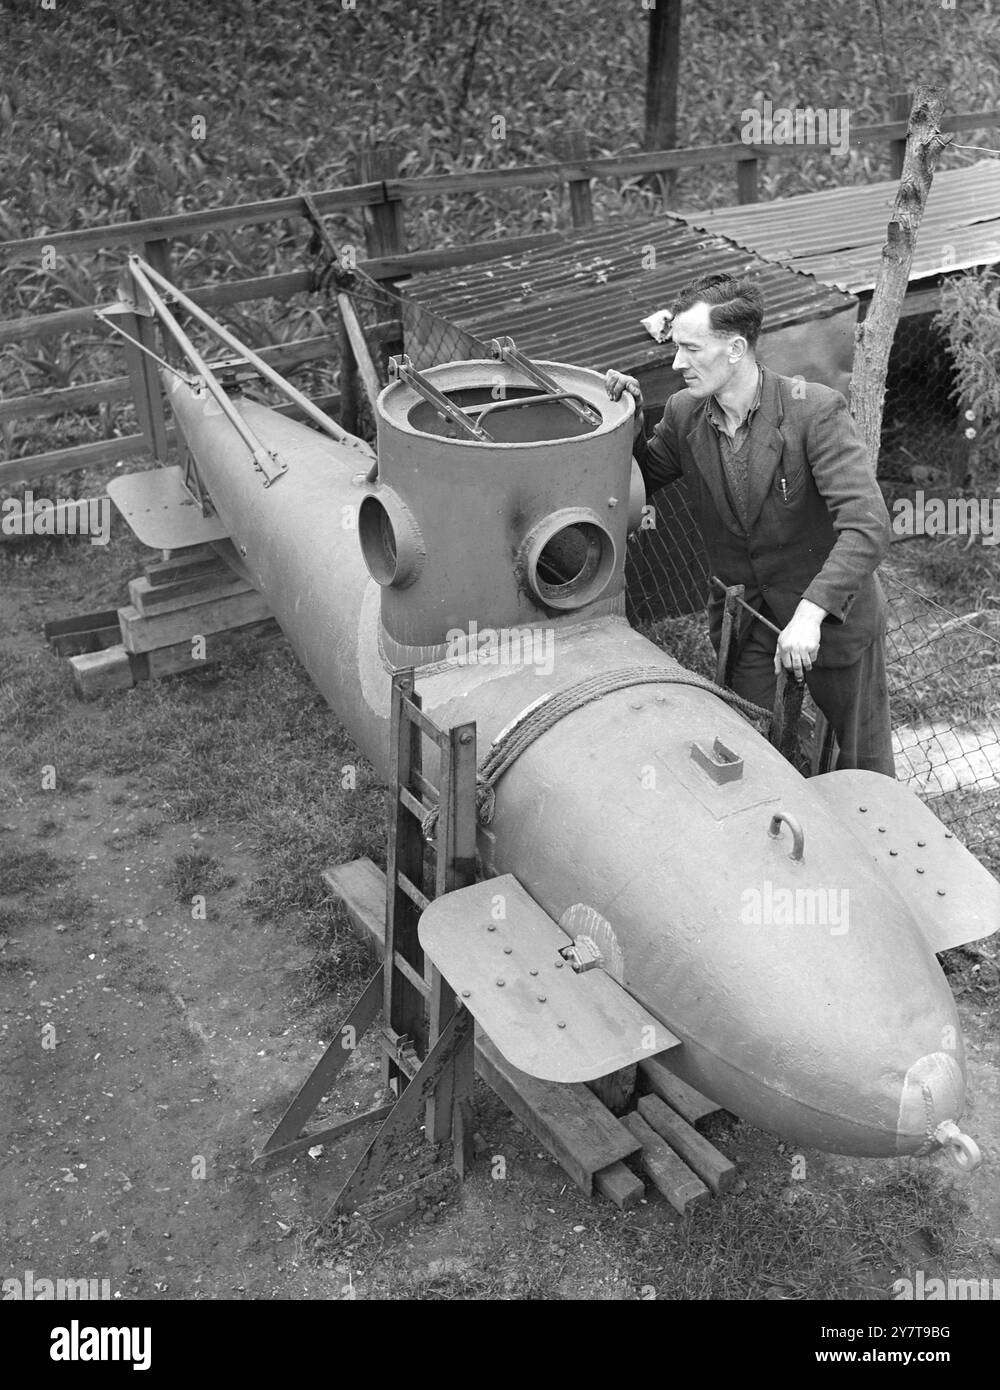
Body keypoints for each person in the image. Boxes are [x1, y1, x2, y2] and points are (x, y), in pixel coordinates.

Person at [607, 271, 895, 777]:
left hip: (827, 616)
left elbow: (866, 525)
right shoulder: (682, 413)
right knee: (745, 745)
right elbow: (639, 485)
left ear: (736, 348)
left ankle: (875, 843)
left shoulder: (814, 413)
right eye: (677, 348)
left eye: (692, 349)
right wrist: (623, 420)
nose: (677, 364)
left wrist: (810, 615)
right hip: (746, 615)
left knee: (862, 758)